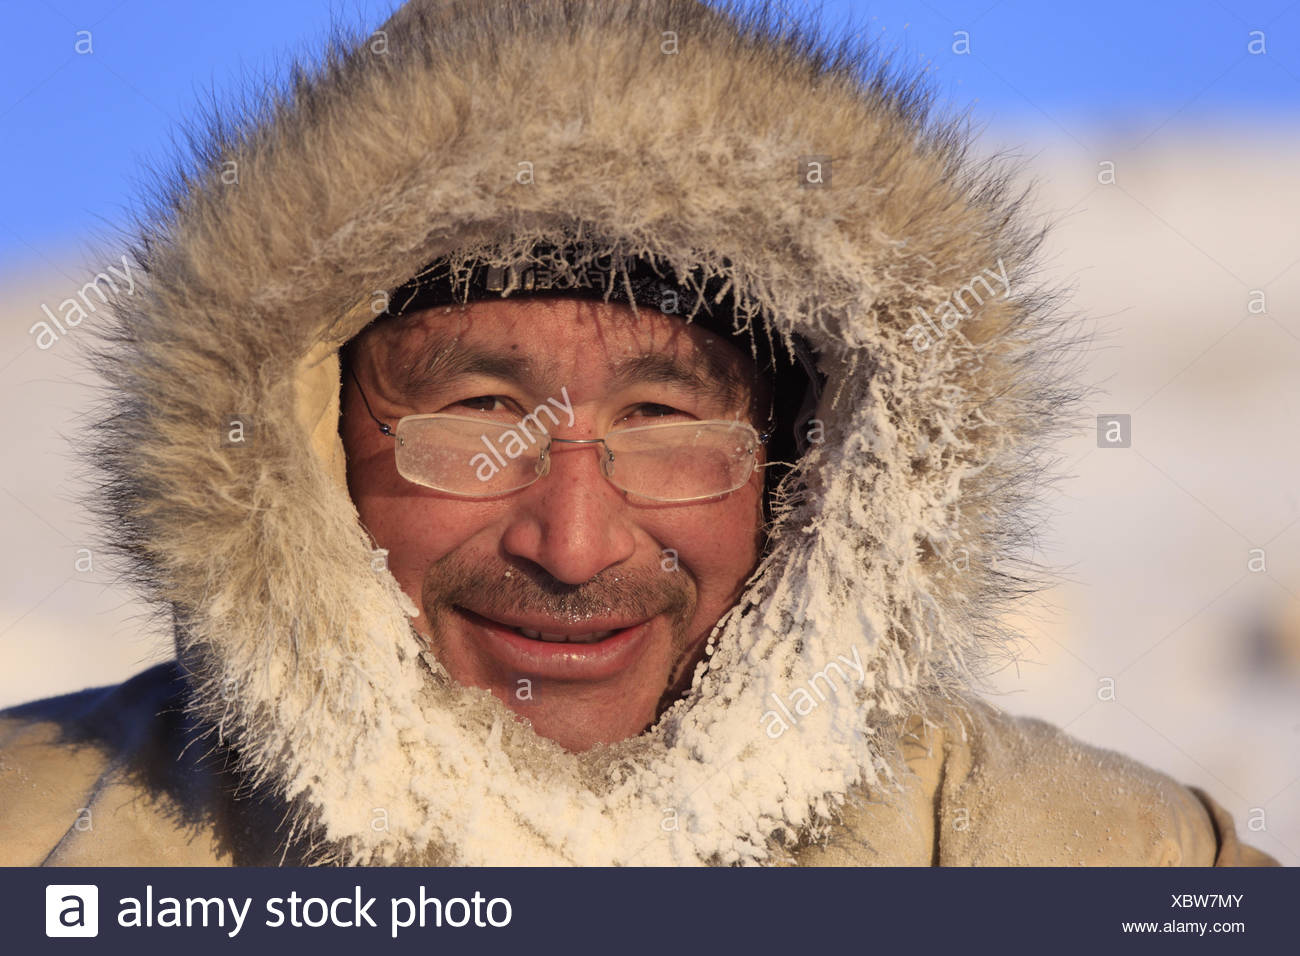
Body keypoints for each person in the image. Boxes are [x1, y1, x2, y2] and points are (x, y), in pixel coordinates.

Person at [0, 0, 1278, 866]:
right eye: (477, 411)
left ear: (808, 467)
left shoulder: (1113, 865)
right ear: (306, 451)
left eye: (663, 417)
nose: (570, 541)